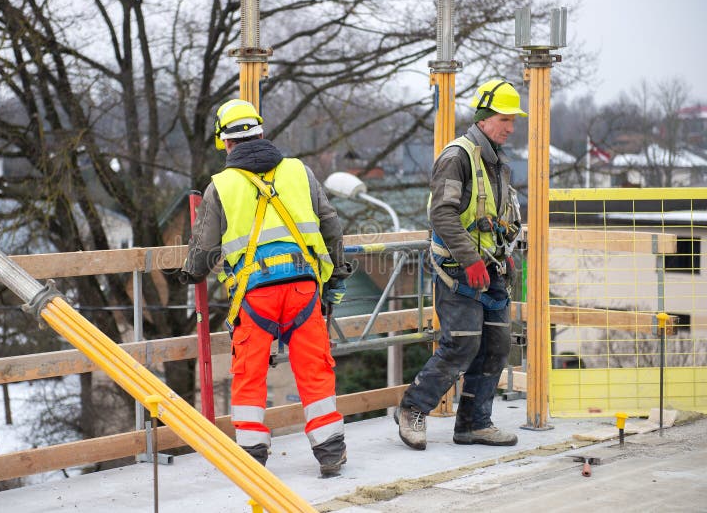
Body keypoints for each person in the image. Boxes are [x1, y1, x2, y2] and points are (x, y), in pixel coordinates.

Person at [177, 98, 353, 476]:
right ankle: (330, 453)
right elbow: (331, 225)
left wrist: (189, 273)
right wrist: (335, 275)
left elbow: (205, 249)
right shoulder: (299, 172)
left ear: (224, 142)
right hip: (304, 288)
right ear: (261, 132)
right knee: (314, 370)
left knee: (249, 374)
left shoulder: (220, 187)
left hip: (254, 295)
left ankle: (252, 460)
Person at [395, 79, 524, 450]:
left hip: (492, 269)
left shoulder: (497, 161)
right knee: (461, 346)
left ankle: (473, 424)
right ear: (484, 119)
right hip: (459, 271)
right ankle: (412, 409)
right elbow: (443, 214)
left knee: (496, 348)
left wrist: (502, 251)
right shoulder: (457, 157)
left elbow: (496, 215)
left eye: (514, 120)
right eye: (505, 119)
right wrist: (469, 260)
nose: (511, 128)